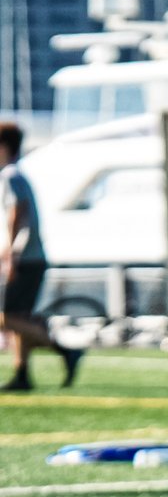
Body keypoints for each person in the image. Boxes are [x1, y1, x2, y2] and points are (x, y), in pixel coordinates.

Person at [0, 121, 80, 391]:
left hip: (25, 258)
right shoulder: (17, 174)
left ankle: (65, 350)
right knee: (20, 316)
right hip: (31, 256)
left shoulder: (10, 175)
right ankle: (22, 374)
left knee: (7, 317)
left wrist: (10, 254)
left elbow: (16, 212)